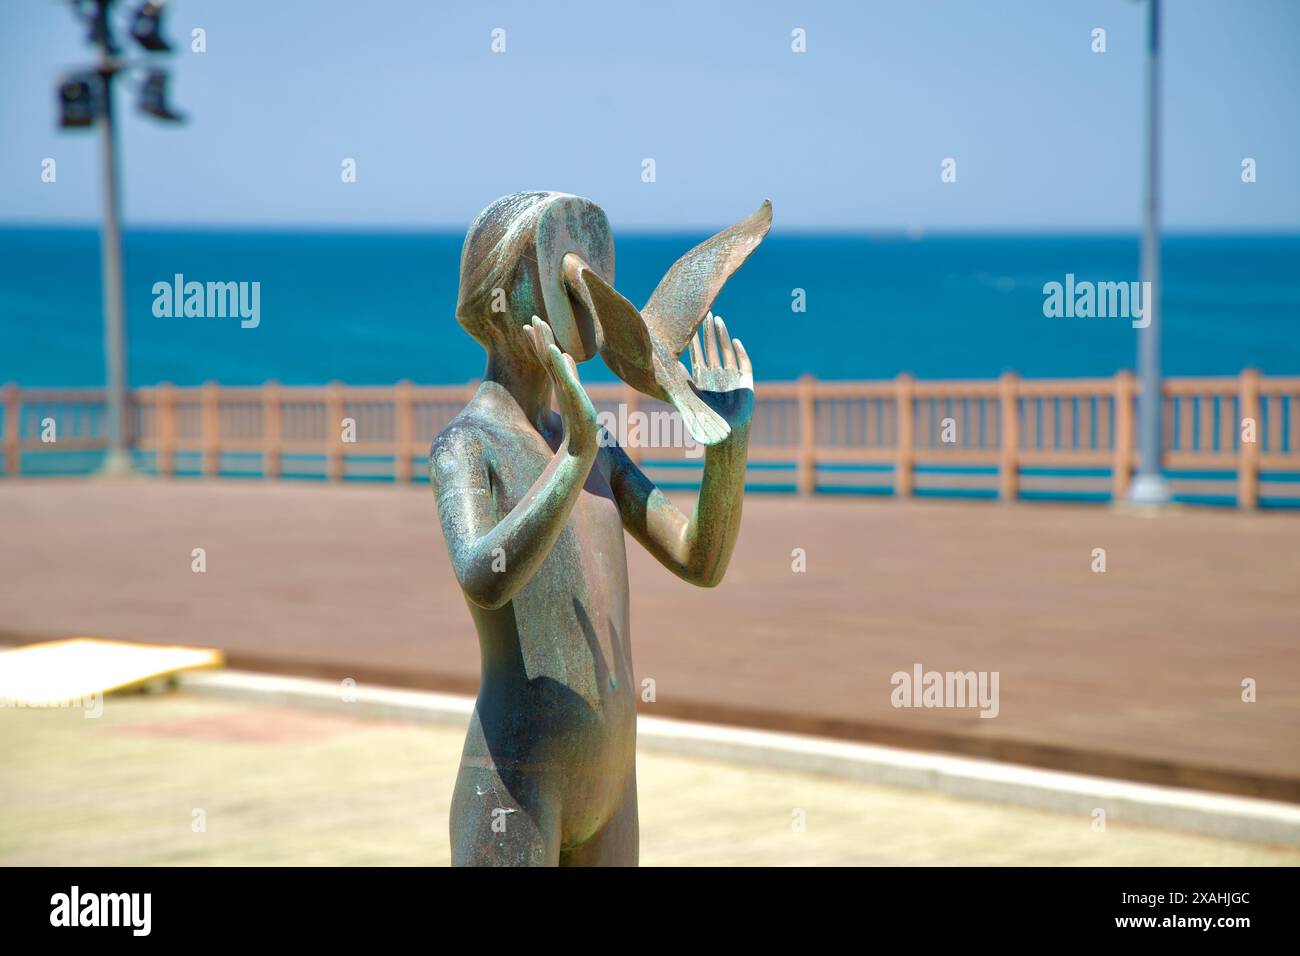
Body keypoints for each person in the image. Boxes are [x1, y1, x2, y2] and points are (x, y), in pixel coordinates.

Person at [431, 191, 763, 865]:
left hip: (612, 775)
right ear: (498, 304)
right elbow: (481, 575)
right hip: (515, 784)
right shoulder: (468, 445)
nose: (582, 297)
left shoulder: (597, 446)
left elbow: (700, 559)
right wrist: (573, 457)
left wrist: (726, 450)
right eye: (558, 276)